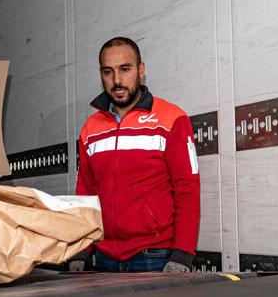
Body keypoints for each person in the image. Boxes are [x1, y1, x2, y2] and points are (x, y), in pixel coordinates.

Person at [71, 37, 200, 273]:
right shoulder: (90, 128)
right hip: (104, 257)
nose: (117, 81)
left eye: (125, 69)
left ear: (141, 70)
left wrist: (183, 254)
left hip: (155, 257)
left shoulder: (172, 119)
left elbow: (187, 190)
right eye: (108, 72)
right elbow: (85, 194)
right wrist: (82, 249)